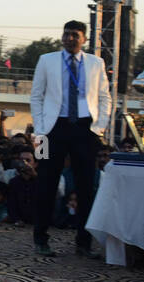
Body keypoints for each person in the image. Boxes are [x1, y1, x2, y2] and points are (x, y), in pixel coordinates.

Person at [29, 19, 111, 257]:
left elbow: (105, 98)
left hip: (86, 130)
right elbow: (36, 97)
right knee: (46, 184)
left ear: (84, 39)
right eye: (66, 34)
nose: (70, 39)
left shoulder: (97, 63)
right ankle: (41, 239)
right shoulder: (47, 60)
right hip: (53, 130)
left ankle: (83, 243)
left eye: (75, 35)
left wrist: (99, 128)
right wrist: (41, 130)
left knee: (86, 187)